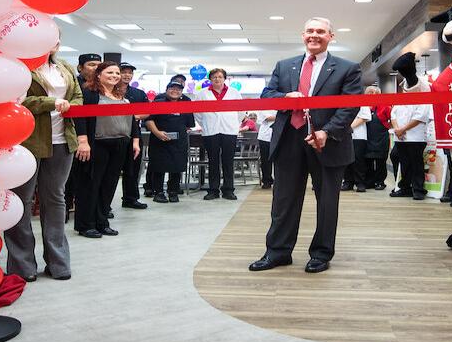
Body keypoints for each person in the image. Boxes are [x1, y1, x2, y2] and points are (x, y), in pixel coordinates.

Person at [250, 17, 361, 274]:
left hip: (328, 142)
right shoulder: (284, 65)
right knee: (283, 199)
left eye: (321, 31)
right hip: (289, 137)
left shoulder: (347, 68)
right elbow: (268, 96)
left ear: (331, 36)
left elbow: (350, 105)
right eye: (310, 31)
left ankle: (321, 254)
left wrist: (327, 132)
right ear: (302, 35)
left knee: (326, 201)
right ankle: (277, 252)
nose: (315, 35)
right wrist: (284, 97)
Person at [3, 47, 82, 282]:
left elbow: (77, 96)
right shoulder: (20, 68)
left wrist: (71, 105)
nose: (51, 45)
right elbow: (19, 101)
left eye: (55, 41)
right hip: (28, 140)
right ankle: (22, 265)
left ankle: (59, 263)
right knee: (21, 201)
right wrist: (51, 102)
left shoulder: (64, 67)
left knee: (56, 200)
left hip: (62, 141)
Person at [73, 61, 140, 238]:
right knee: (91, 184)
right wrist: (83, 141)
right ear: (99, 74)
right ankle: (86, 224)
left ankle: (102, 222)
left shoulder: (121, 95)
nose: (115, 76)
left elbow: (131, 119)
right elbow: (80, 118)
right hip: (97, 144)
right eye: (110, 72)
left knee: (109, 185)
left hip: (120, 144)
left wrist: (135, 141)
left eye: (117, 73)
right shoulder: (90, 93)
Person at [196, 67, 244, 200]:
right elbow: (198, 113)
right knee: (213, 161)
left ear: (224, 78)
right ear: (210, 79)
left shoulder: (234, 93)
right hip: (210, 131)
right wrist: (206, 123)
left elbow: (241, 112)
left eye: (220, 77)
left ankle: (228, 190)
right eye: (214, 77)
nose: (217, 79)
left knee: (228, 161)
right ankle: (213, 190)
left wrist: (233, 123)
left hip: (229, 130)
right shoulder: (202, 94)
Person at [66, 53, 102, 220]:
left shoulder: (100, 87)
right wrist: (82, 139)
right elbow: (77, 114)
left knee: (87, 177)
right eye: (91, 64)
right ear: (80, 68)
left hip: (94, 138)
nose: (96, 68)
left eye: (98, 65)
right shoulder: (73, 85)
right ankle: (66, 210)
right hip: (73, 137)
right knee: (70, 177)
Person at [146, 79, 195, 203]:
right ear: (167, 90)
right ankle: (159, 192)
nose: (175, 91)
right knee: (158, 167)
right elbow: (148, 120)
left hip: (178, 143)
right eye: (172, 89)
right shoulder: (158, 103)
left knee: (177, 167)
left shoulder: (186, 105)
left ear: (182, 92)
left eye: (178, 89)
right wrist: (157, 132)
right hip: (159, 141)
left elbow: (189, 124)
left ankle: (173, 191)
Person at [118, 62, 149, 211]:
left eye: (130, 72)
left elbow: (148, 112)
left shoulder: (138, 93)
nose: (127, 75)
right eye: (123, 72)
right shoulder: (108, 91)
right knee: (112, 170)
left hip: (134, 135)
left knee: (133, 168)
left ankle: (130, 198)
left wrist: (131, 117)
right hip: (114, 135)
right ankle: (105, 205)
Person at [389, 95, 431, 200]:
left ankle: (418, 190)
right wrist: (397, 129)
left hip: (416, 137)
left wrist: (402, 129)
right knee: (404, 163)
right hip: (400, 138)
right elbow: (393, 115)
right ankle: (405, 188)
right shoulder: (400, 99)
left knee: (416, 164)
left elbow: (419, 117)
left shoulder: (422, 99)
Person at [363, 87, 391, 190]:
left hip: (381, 138)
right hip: (367, 138)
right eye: (369, 92)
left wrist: (389, 126)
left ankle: (380, 182)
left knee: (380, 162)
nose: (372, 94)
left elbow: (392, 119)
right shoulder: (363, 106)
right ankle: (369, 182)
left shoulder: (385, 106)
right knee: (368, 161)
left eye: (375, 93)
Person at [342, 103, 372, 192]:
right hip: (344, 135)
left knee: (358, 160)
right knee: (346, 160)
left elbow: (364, 117)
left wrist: (349, 127)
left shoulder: (362, 101)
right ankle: (348, 182)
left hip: (358, 135)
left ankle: (360, 183)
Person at [256, 109, 276, 189]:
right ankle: (267, 180)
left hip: (278, 136)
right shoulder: (264, 105)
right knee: (266, 161)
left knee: (279, 160)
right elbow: (268, 118)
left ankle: (279, 180)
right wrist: (282, 116)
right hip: (265, 137)